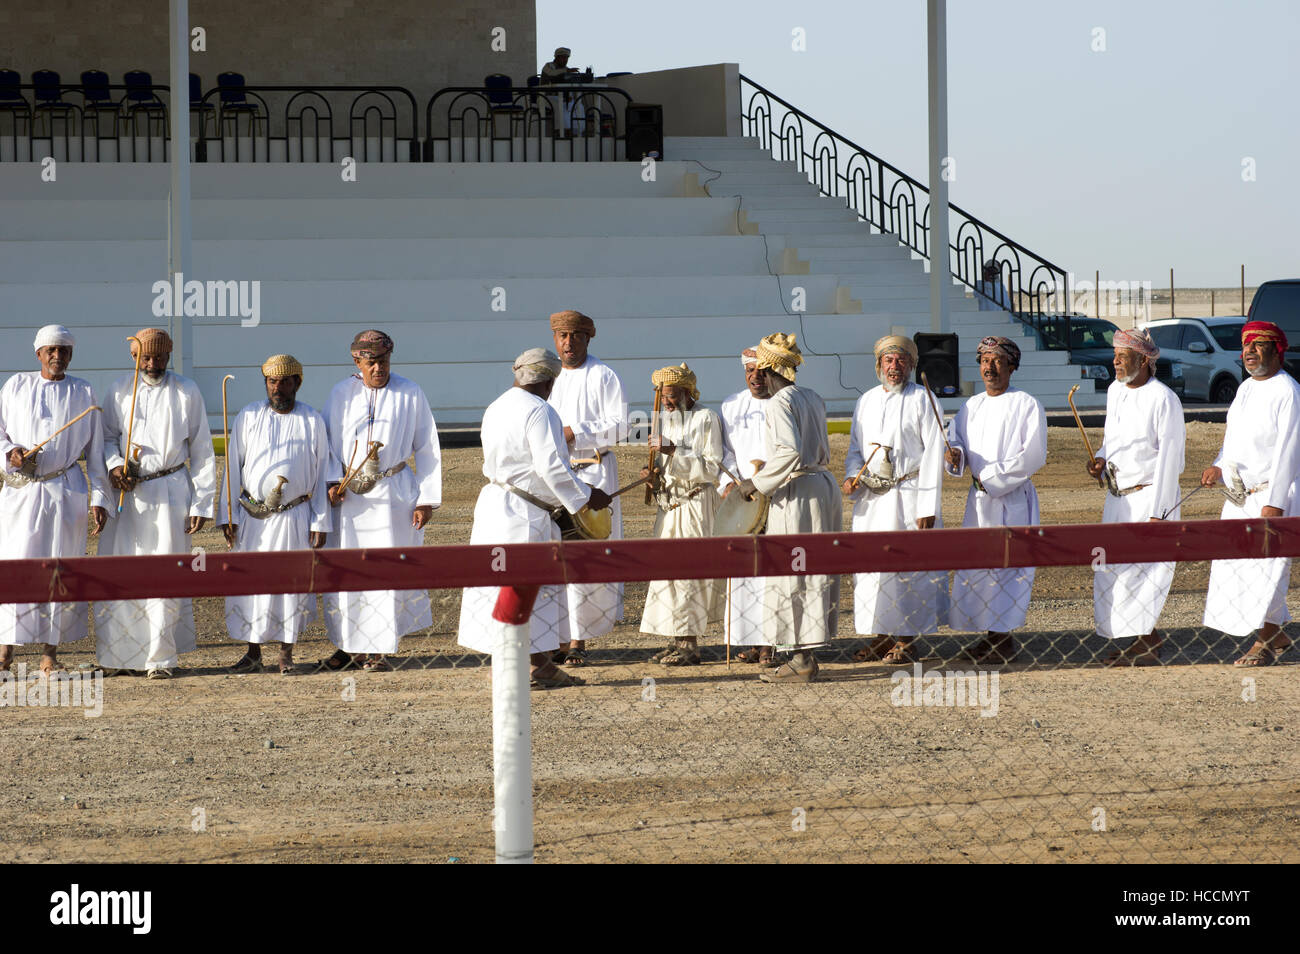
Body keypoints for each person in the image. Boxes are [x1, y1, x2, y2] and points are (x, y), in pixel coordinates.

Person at [457, 349, 612, 689]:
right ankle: (528, 666)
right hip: (524, 512)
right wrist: (587, 496)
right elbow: (552, 468)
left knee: (502, 585)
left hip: (496, 503)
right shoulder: (541, 411)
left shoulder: (495, 406)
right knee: (529, 586)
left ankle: (530, 665)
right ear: (548, 381)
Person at [96, 328, 215, 679]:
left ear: (169, 356)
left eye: (159, 357)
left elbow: (203, 450)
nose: (153, 364)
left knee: (165, 571)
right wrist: (115, 466)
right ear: (135, 357)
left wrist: (201, 503)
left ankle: (160, 659)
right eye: (146, 357)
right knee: (122, 570)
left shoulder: (186, 391)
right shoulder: (118, 390)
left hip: (170, 492)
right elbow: (105, 439)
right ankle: (119, 657)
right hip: (127, 496)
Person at [323, 330, 442, 673]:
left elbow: (428, 447)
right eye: (371, 362)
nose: (378, 369)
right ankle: (349, 647)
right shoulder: (341, 394)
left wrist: (427, 500)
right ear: (356, 361)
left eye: (384, 361)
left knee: (386, 569)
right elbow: (328, 444)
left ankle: (378, 648)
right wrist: (332, 481)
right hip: (351, 498)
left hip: (394, 493)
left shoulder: (410, 392)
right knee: (350, 570)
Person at [732, 333, 842, 684]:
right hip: (822, 488)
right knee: (814, 568)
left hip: (797, 493)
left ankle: (799, 658)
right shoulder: (812, 396)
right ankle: (805, 653)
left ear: (766, 370)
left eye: (758, 371)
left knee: (794, 570)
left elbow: (790, 452)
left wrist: (756, 483)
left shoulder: (780, 402)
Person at [0, 325, 109, 676]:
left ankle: (50, 653)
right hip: (22, 492)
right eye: (51, 350)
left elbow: (95, 453)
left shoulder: (84, 391)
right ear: (38, 354)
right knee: (14, 567)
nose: (57, 356)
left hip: (66, 491)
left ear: (71, 354)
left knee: (59, 571)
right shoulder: (16, 385)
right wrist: (10, 452)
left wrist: (100, 497)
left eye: (63, 350)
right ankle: (5, 652)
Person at [217, 355, 332, 675]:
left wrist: (320, 519)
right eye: (271, 381)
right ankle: (252, 653)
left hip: (293, 517)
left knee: (289, 584)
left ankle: (285, 654)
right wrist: (228, 515)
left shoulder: (312, 420)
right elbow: (233, 466)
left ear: (297, 382)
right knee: (251, 583)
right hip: (252, 517)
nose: (277, 388)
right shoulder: (249, 415)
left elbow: (322, 472)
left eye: (284, 381)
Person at [1201, 320, 1300, 667]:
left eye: (1258, 345)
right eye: (1246, 346)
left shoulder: (1287, 391)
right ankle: (1276, 633)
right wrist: (1218, 465)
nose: (1249, 352)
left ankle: (1265, 642)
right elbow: (1234, 442)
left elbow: (1290, 451)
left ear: (1277, 349)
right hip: (1240, 496)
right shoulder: (1245, 390)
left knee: (1269, 568)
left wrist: (1275, 503)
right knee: (1239, 567)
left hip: (1273, 495)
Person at [843, 335, 946, 666]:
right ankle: (880, 636)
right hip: (872, 500)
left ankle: (907, 639)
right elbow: (856, 449)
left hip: (910, 496)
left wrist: (927, 506)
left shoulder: (923, 399)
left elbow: (934, 453)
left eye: (901, 361)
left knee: (907, 569)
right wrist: (852, 476)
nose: (894, 367)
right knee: (872, 569)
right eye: (888, 361)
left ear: (912, 365)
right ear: (878, 365)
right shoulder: (866, 401)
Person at [944, 336, 1047, 665]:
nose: (990, 367)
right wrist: (954, 454)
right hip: (978, 502)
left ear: (1012, 366)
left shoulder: (1027, 404)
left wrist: (991, 480)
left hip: (1012, 498)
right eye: (985, 361)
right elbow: (955, 442)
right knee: (978, 567)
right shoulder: (970, 406)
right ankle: (988, 635)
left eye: (998, 361)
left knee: (1007, 567)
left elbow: (1033, 456)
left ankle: (1003, 640)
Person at [1089, 329, 1185, 665]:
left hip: (1148, 498)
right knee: (1110, 568)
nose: (1114, 362)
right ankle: (1139, 640)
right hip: (1117, 497)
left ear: (1143, 360)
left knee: (1141, 573)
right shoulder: (1115, 391)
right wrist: (1100, 460)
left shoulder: (1163, 399)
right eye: (1114, 355)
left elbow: (1171, 460)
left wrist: (1159, 513)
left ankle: (1149, 642)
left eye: (1122, 356)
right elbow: (1111, 439)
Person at [547, 309, 628, 667]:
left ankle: (579, 639)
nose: (568, 343)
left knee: (586, 555)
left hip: (594, 472)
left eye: (575, 336)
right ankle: (556, 637)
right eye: (562, 336)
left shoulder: (603, 375)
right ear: (555, 339)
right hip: (555, 476)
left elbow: (621, 426)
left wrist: (575, 432)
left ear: (587, 338)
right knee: (555, 553)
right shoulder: (547, 376)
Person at [640, 364, 724, 666]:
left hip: (695, 505)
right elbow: (666, 465)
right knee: (668, 575)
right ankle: (677, 640)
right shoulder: (665, 420)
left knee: (689, 573)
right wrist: (653, 474)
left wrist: (673, 450)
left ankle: (690, 646)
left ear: (689, 393)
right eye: (663, 398)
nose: (667, 403)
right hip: (669, 507)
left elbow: (712, 468)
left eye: (673, 397)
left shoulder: (707, 418)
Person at [718, 347, 770, 664]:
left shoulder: (785, 403)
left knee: (771, 571)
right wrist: (729, 484)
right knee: (745, 570)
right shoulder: (731, 406)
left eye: (762, 370)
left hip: (778, 494)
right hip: (743, 496)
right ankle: (749, 639)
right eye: (750, 370)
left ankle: (772, 642)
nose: (755, 376)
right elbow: (724, 452)